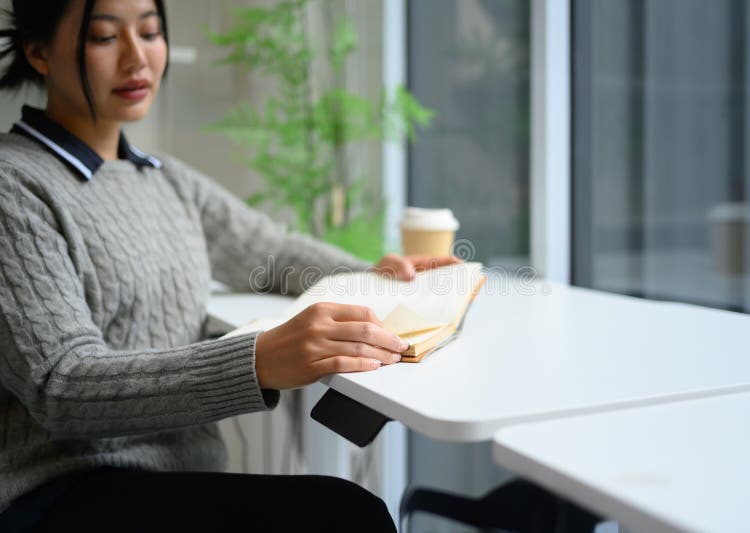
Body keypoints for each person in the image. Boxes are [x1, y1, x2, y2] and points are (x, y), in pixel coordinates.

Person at [0, 0, 459, 531]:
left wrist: (378, 277)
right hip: (56, 489)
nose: (137, 58)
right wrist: (256, 362)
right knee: (346, 515)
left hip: (174, 476)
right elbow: (61, 385)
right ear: (38, 53)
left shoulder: (165, 179)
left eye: (150, 33)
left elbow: (271, 253)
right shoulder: (15, 185)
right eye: (104, 38)